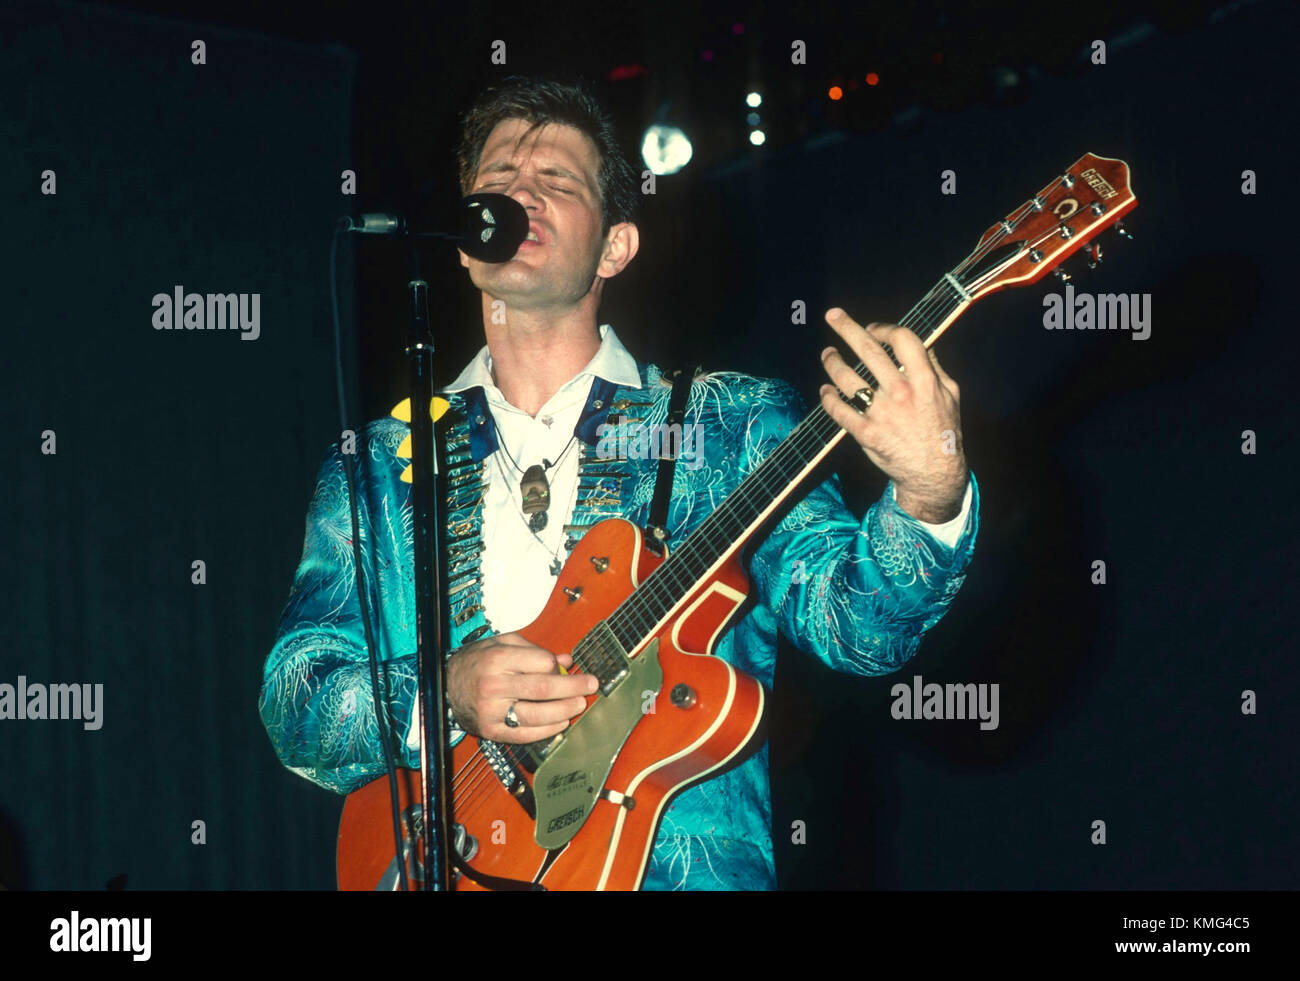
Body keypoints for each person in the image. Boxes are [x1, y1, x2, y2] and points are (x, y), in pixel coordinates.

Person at [260, 74, 979, 890]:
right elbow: (298, 703)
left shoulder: (731, 425)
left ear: (614, 246)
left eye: (555, 181)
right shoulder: (376, 468)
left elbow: (857, 627)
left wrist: (929, 495)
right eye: (495, 181)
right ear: (464, 239)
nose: (517, 192)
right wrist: (446, 691)